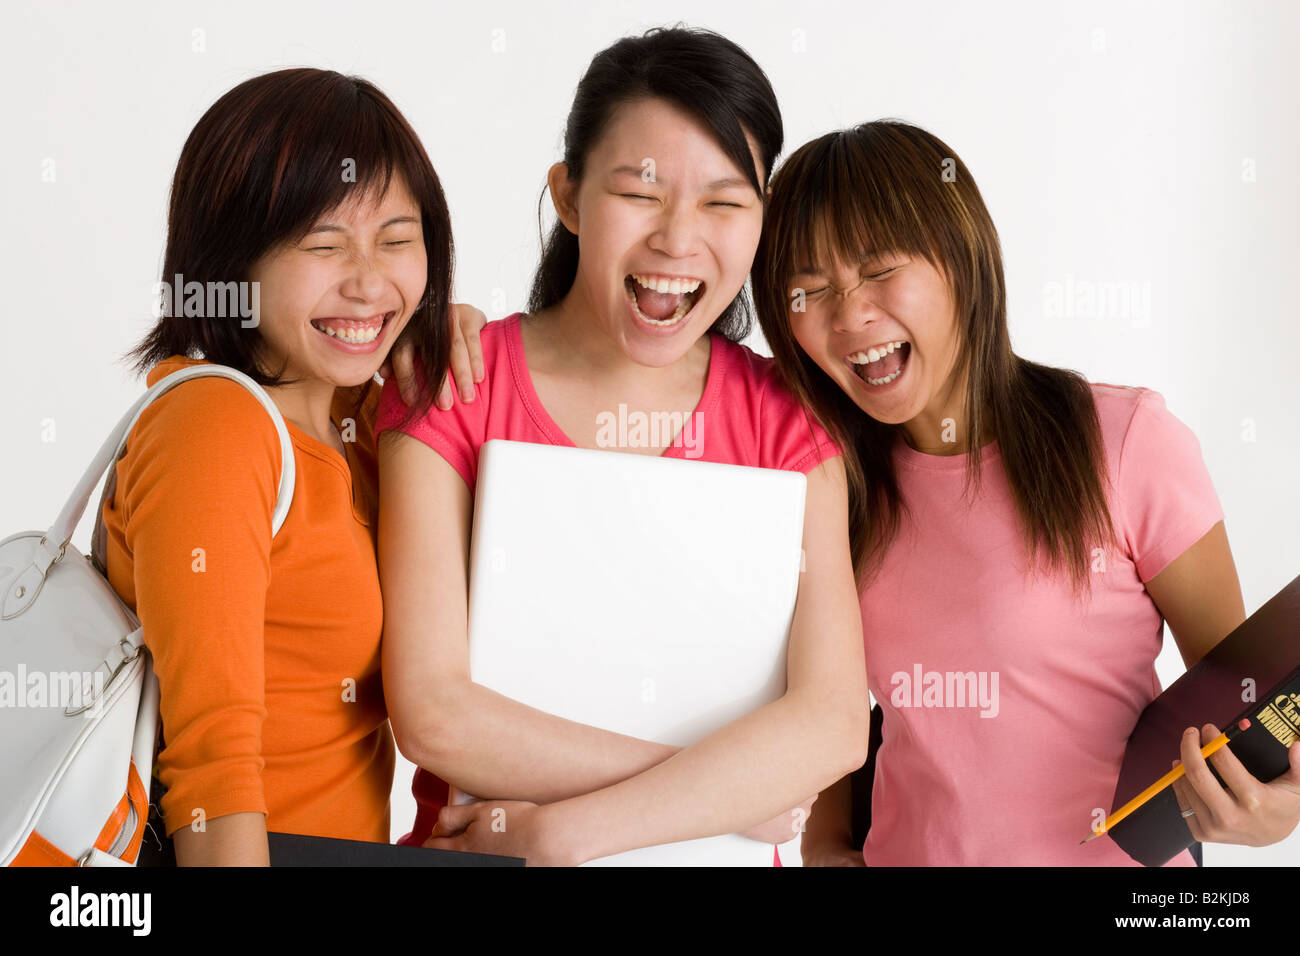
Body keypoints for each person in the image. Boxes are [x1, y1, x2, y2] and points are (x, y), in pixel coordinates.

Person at [377, 26, 869, 864]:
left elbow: (830, 723)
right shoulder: (452, 383)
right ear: (569, 198)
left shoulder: (789, 421)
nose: (679, 240)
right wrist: (723, 793)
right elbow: (434, 713)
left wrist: (568, 831)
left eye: (723, 201)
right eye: (640, 193)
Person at [749, 119, 1300, 865]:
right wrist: (827, 848)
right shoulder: (828, 481)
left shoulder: (1126, 441)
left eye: (879, 270)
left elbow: (1243, 706)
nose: (849, 317)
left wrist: (1272, 814)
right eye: (807, 291)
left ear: (961, 258)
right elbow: (840, 712)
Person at [102, 67, 481, 865]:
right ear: (231, 264)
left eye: (397, 240)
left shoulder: (366, 421)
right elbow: (213, 777)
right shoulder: (216, 429)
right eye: (324, 245)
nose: (369, 282)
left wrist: (445, 337)